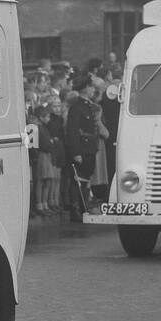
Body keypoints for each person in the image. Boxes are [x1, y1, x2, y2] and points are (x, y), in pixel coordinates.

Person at [64, 82, 102, 221]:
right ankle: (76, 211)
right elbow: (72, 131)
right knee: (78, 181)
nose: (93, 89)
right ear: (85, 88)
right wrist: (76, 152)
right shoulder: (77, 108)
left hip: (89, 148)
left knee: (85, 180)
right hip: (82, 148)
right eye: (91, 86)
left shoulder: (87, 106)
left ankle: (84, 207)